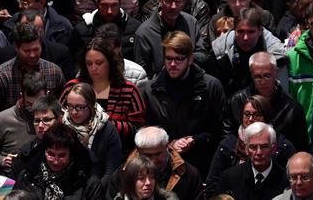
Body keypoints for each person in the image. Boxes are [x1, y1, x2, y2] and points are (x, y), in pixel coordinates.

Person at [139, 32, 226, 172]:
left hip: (201, 161)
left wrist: (196, 140)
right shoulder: (149, 90)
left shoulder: (211, 86)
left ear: (190, 59)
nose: (172, 64)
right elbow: (144, 128)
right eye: (168, 59)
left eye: (179, 59)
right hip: (161, 162)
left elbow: (218, 129)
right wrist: (167, 143)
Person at [0, 23, 66, 134]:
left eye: (36, 49)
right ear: (16, 48)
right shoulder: (1, 76)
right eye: (27, 51)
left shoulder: (54, 72)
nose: (32, 55)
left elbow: (62, 110)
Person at [63, 38, 146, 145]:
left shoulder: (129, 90)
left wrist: (104, 125)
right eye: (89, 63)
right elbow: (59, 119)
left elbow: (139, 130)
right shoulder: (72, 87)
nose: (93, 68)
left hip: (119, 151)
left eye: (99, 63)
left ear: (110, 62)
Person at [135, 0, 210, 74]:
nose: (173, 6)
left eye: (178, 1)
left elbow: (202, 54)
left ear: (184, 1)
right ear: (160, 0)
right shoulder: (144, 33)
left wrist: (184, 60)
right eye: (168, 1)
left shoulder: (191, 23)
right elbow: (143, 73)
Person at [210, 8, 288, 96]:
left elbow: (282, 93)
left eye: (251, 32)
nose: (245, 38)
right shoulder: (220, 51)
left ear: (260, 31)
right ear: (234, 31)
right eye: (240, 32)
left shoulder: (276, 55)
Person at [206, 123, 288, 200]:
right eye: (253, 147)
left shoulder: (286, 180)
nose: (258, 152)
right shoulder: (229, 178)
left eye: (264, 146)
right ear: (246, 149)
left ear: (274, 148)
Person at [0, 73, 48, 171]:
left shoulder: (56, 118)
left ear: (47, 95)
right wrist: (2, 160)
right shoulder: (3, 119)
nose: (35, 109)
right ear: (22, 96)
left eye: (39, 103)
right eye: (30, 104)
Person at [13, 123, 95, 199]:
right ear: (44, 152)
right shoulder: (27, 176)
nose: (56, 161)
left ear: (71, 154)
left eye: (61, 155)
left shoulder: (87, 182)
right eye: (51, 154)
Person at [132, 127, 203, 200]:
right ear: (138, 151)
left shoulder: (189, 174)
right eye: (148, 155)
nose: (153, 160)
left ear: (167, 146)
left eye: (158, 154)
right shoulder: (125, 172)